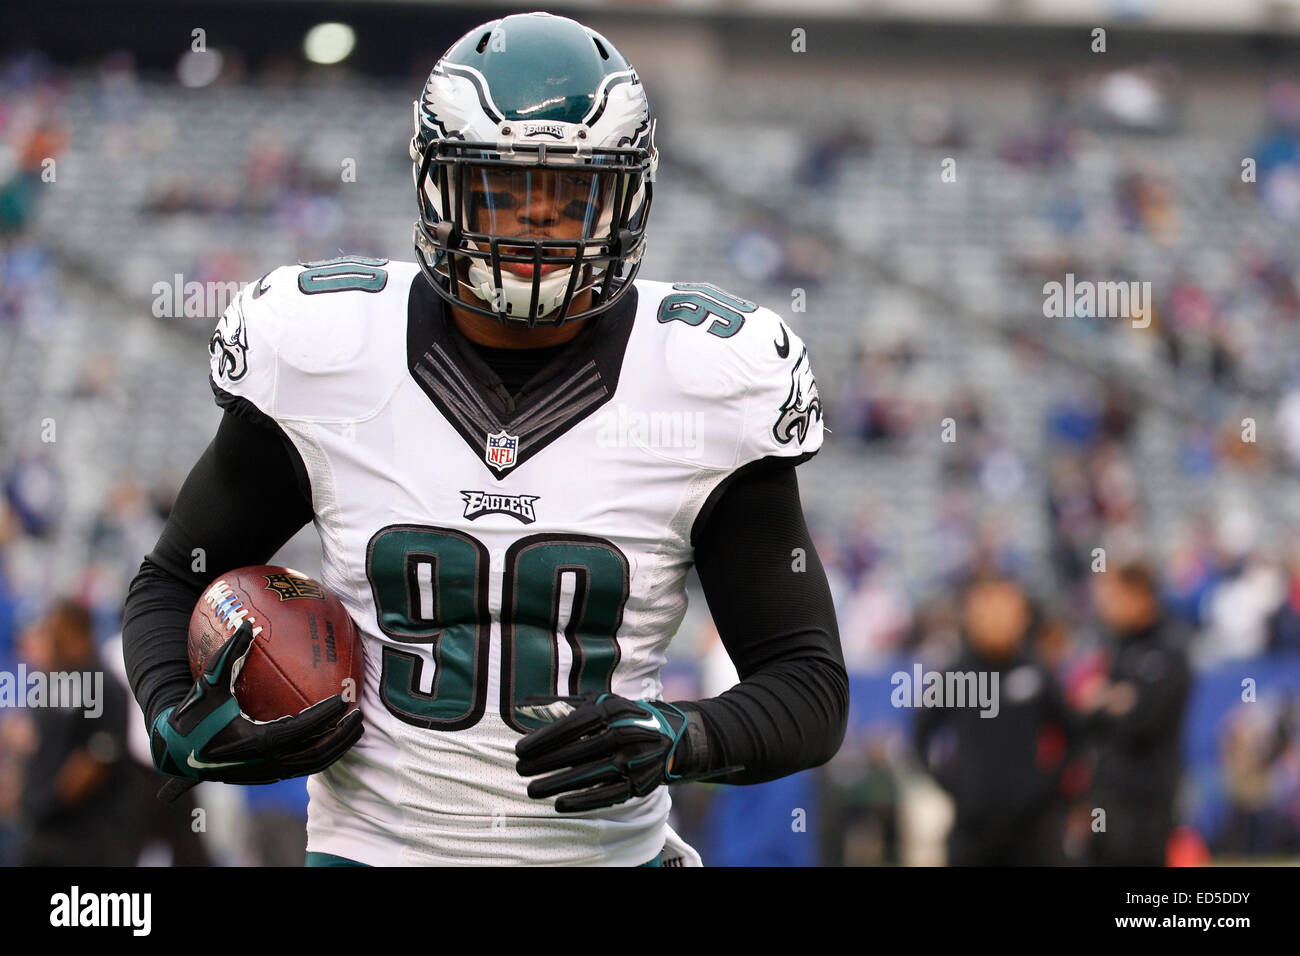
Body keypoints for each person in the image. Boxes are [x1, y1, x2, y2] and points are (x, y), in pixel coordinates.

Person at [122, 12, 847, 867]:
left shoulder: (704, 384)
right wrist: (175, 713)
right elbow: (174, 578)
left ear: (629, 197)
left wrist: (681, 734)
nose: (537, 220)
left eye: (570, 192)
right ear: (437, 186)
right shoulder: (327, 355)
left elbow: (808, 684)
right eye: (505, 185)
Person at [914, 574, 1075, 865]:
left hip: (1033, 831)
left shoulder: (1038, 671)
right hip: (971, 832)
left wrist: (1045, 786)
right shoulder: (954, 675)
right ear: (972, 616)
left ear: (1022, 616)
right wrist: (954, 785)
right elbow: (919, 738)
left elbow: (1073, 735)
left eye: (1006, 610)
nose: (997, 619)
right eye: (987, 609)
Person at [1082, 560, 1191, 866]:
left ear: (1139, 594)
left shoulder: (1169, 647)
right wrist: (1109, 701)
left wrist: (1108, 701)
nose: (1105, 606)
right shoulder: (1119, 647)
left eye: (1114, 596)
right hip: (1108, 792)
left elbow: (1144, 720)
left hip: (1147, 796)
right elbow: (1088, 716)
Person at [17, 599, 138, 866]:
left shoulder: (105, 687)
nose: (51, 638)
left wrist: (49, 803)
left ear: (76, 631)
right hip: (41, 836)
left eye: (56, 630)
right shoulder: (52, 684)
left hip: (86, 838)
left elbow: (94, 763)